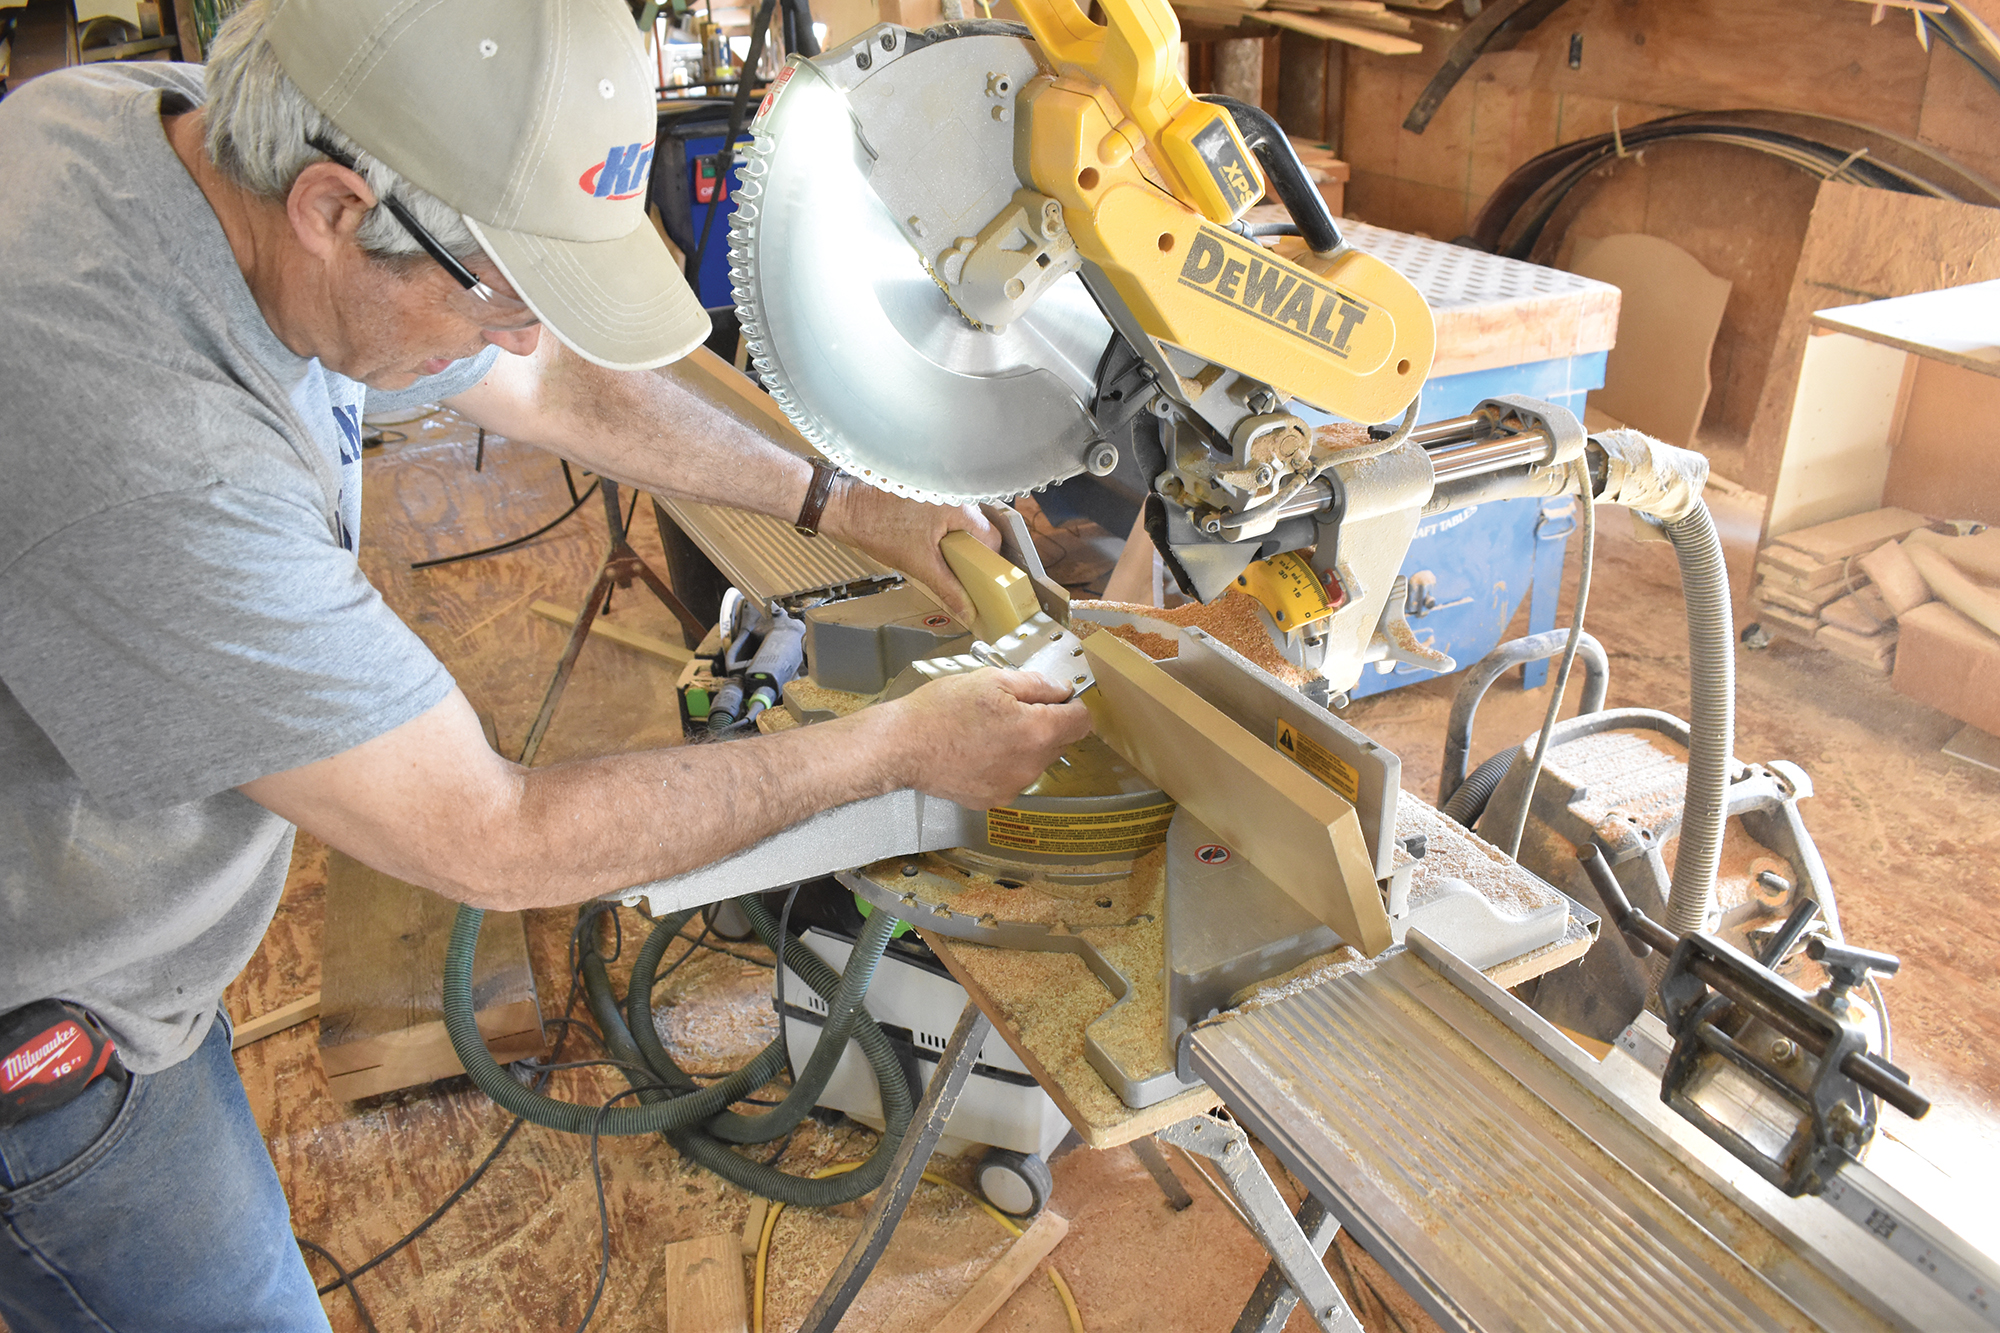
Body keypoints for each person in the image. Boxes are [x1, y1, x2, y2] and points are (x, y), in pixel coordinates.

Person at [0, 0, 1092, 1327]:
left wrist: (847, 503)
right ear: (334, 212)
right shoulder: (155, 459)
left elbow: (548, 385)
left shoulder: (158, 127)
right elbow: (494, 835)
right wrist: (900, 748)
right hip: (54, 1024)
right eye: (501, 298)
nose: (517, 336)